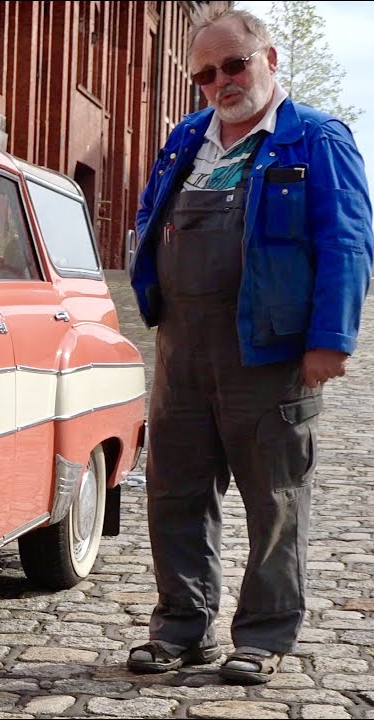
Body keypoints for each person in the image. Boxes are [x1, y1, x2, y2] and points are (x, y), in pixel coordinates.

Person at [128, 5, 373, 685]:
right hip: (181, 348)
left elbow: (348, 243)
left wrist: (330, 339)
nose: (221, 82)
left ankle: (263, 636)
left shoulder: (316, 138)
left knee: (275, 500)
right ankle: (181, 628)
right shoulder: (186, 138)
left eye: (233, 64)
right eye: (205, 74)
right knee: (174, 493)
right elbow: (151, 213)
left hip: (268, 352)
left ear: (269, 58)